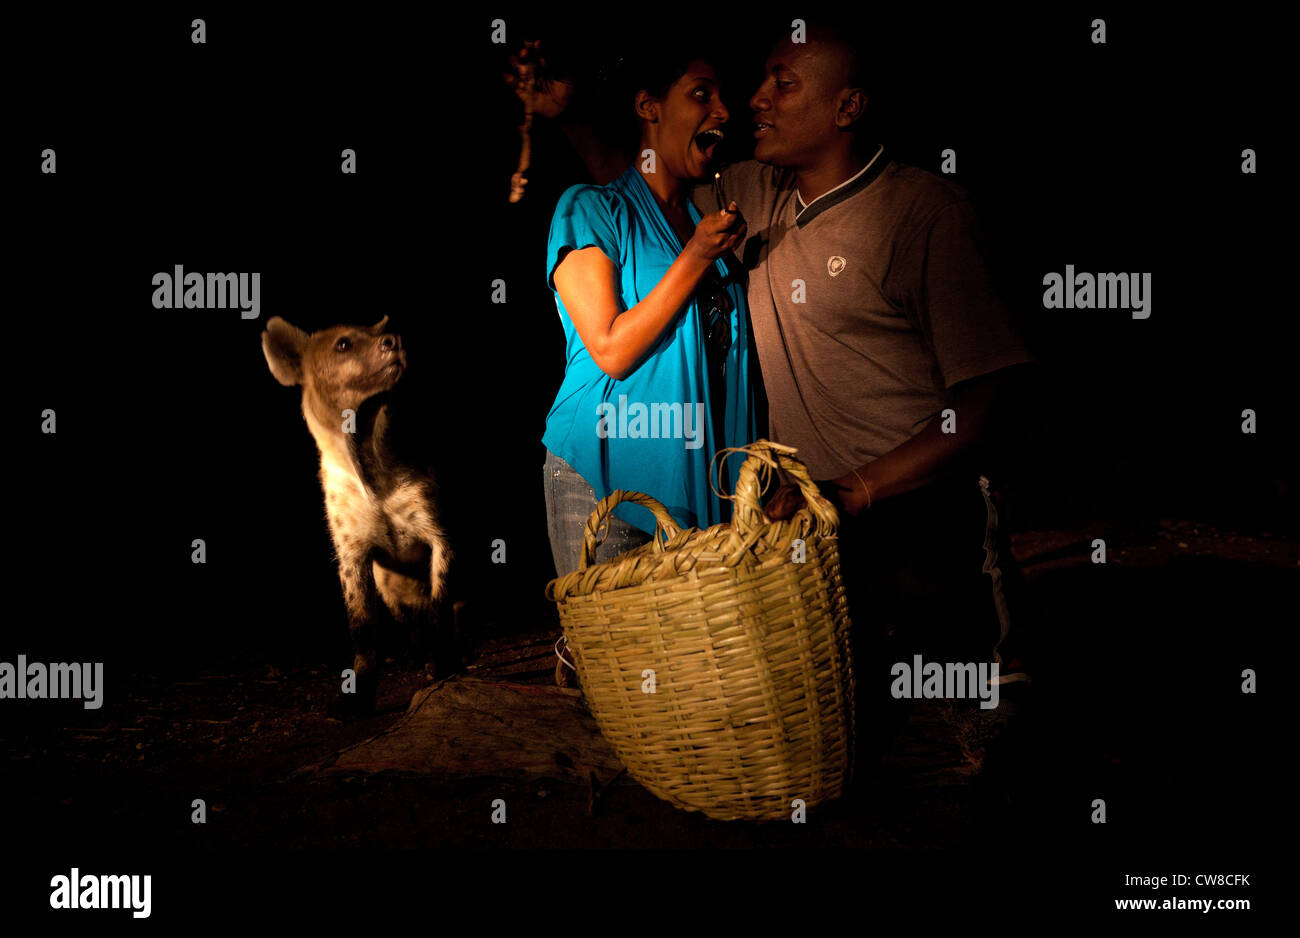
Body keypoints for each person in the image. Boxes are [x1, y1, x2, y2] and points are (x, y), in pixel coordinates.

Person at [699, 21, 1037, 762]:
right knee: (851, 737)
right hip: (821, 520)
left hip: (924, 512)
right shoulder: (753, 193)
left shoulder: (927, 215)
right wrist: (568, 116)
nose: (758, 98)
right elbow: (635, 188)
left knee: (979, 726)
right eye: (762, 79)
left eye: (784, 83)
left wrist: (856, 487)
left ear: (848, 108)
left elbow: (988, 398)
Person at [539, 44, 757, 585]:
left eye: (722, 97)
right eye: (701, 95)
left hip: (691, 479)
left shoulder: (702, 221)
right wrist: (698, 256)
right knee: (619, 659)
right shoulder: (589, 208)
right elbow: (611, 350)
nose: (723, 112)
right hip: (605, 480)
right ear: (649, 107)